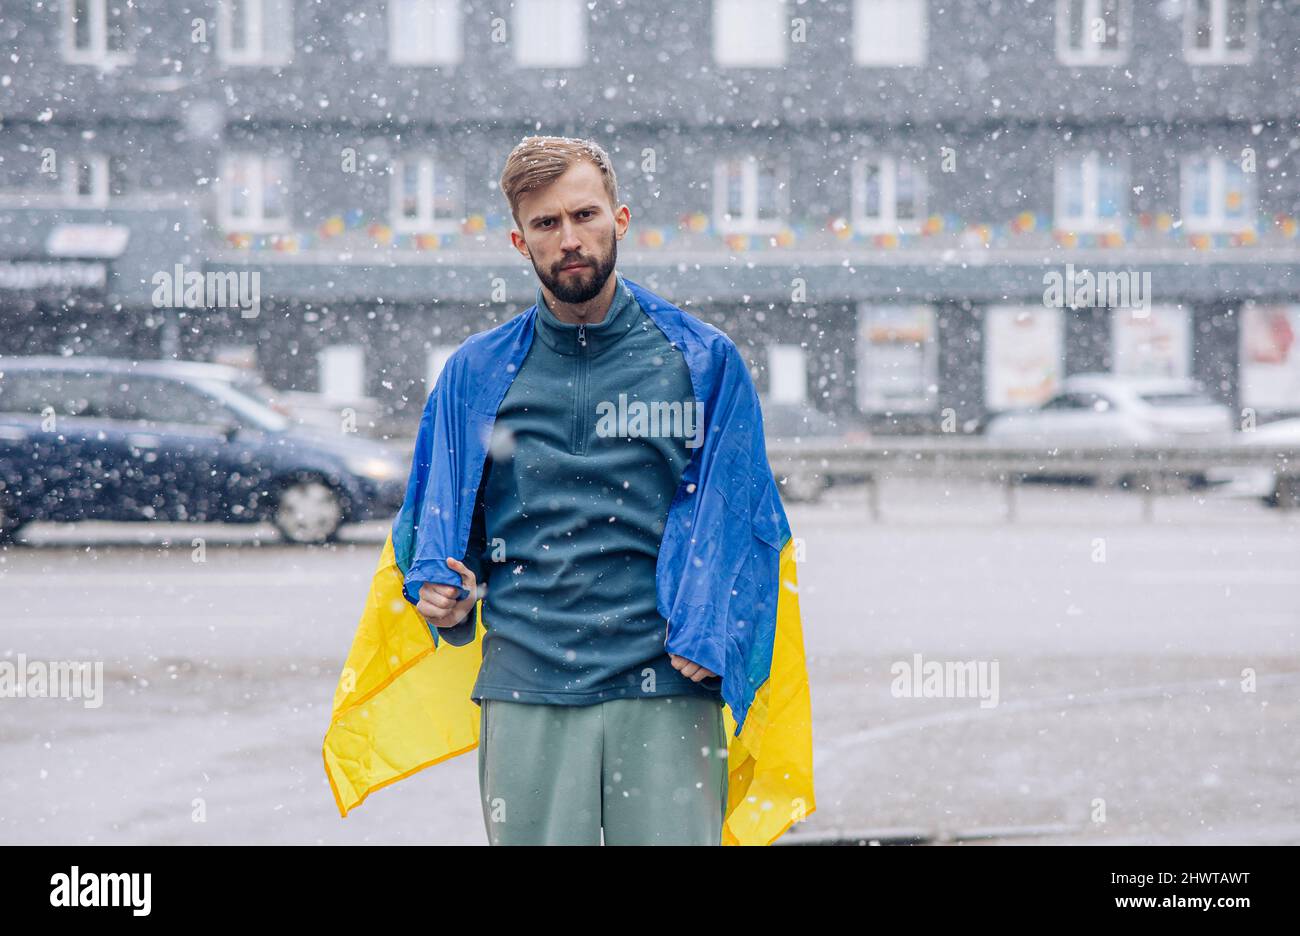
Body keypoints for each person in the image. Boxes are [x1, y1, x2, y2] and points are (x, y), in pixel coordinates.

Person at [414, 136, 729, 845]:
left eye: (584, 215)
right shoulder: (475, 372)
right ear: (519, 241)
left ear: (620, 218)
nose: (570, 238)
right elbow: (440, 539)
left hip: (669, 684)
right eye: (547, 225)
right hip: (527, 685)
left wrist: (714, 632)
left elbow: (739, 518)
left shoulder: (702, 360)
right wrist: (442, 597)